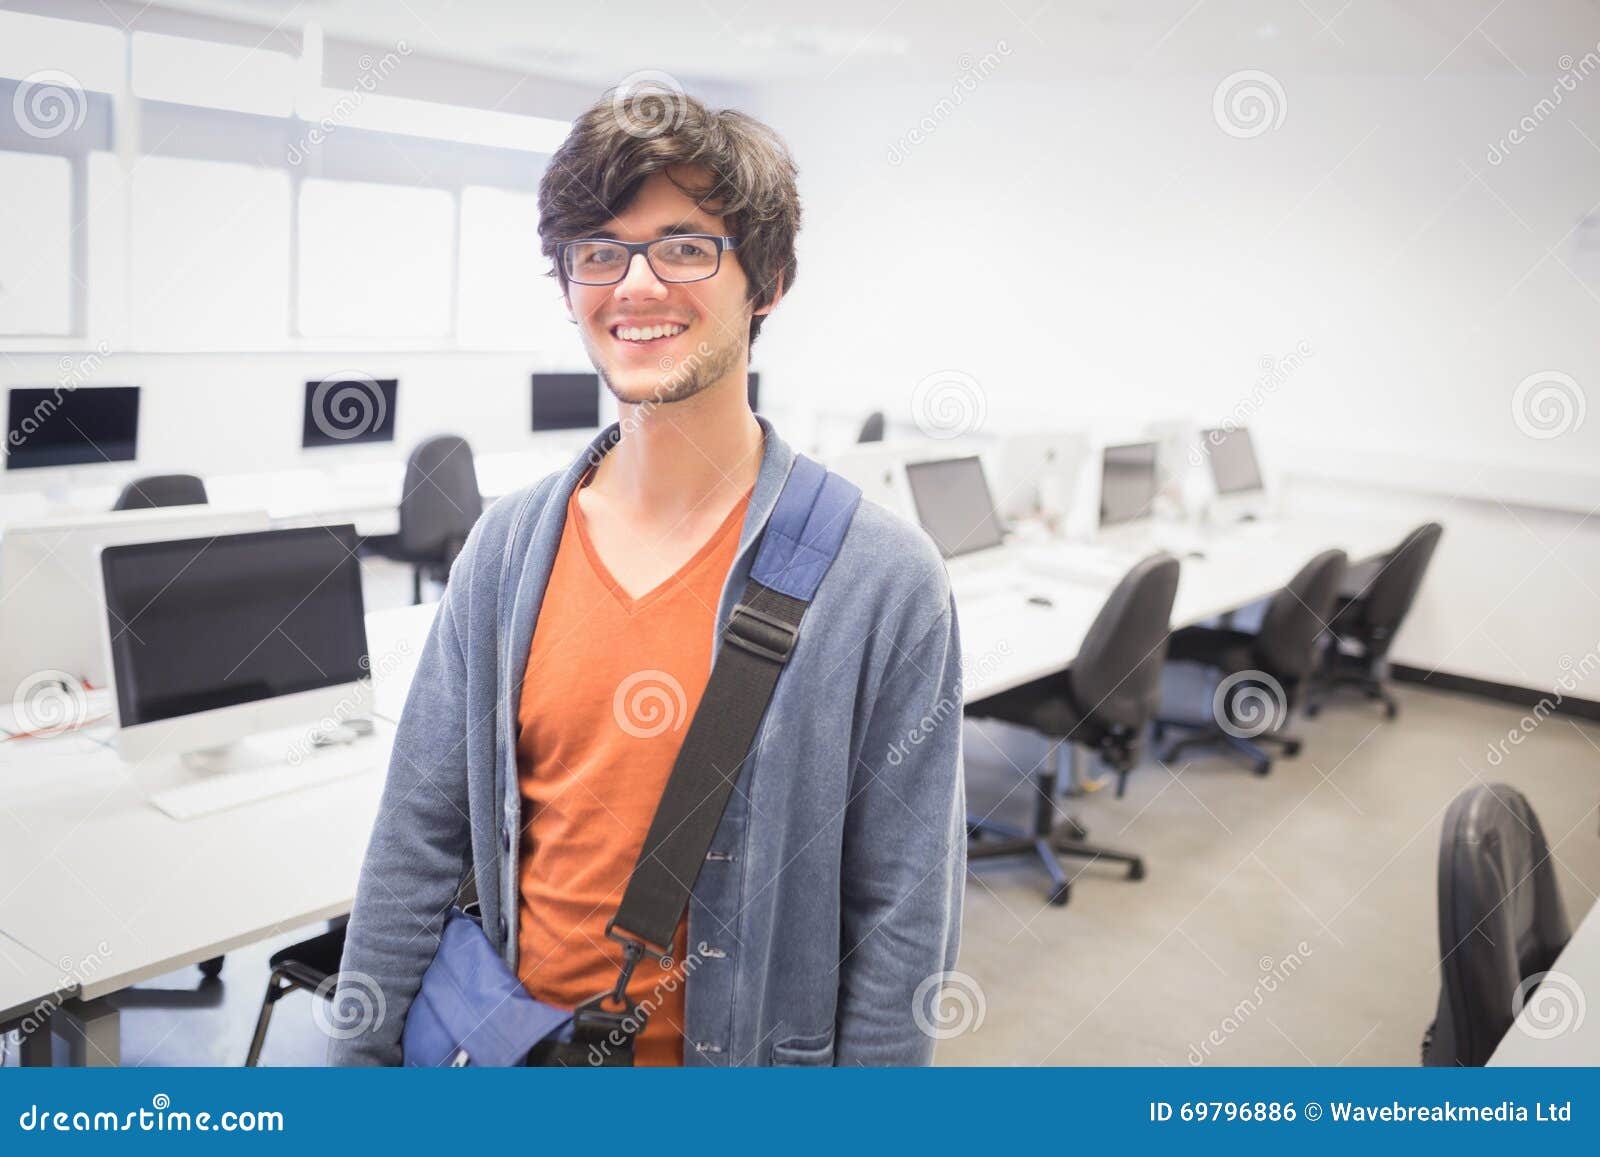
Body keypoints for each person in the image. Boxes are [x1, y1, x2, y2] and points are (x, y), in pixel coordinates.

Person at [330, 85, 964, 1066]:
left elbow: (903, 919)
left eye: (684, 247)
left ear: (768, 280)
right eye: (599, 250)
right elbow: (416, 837)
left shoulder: (882, 580)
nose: (635, 285)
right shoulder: (505, 549)